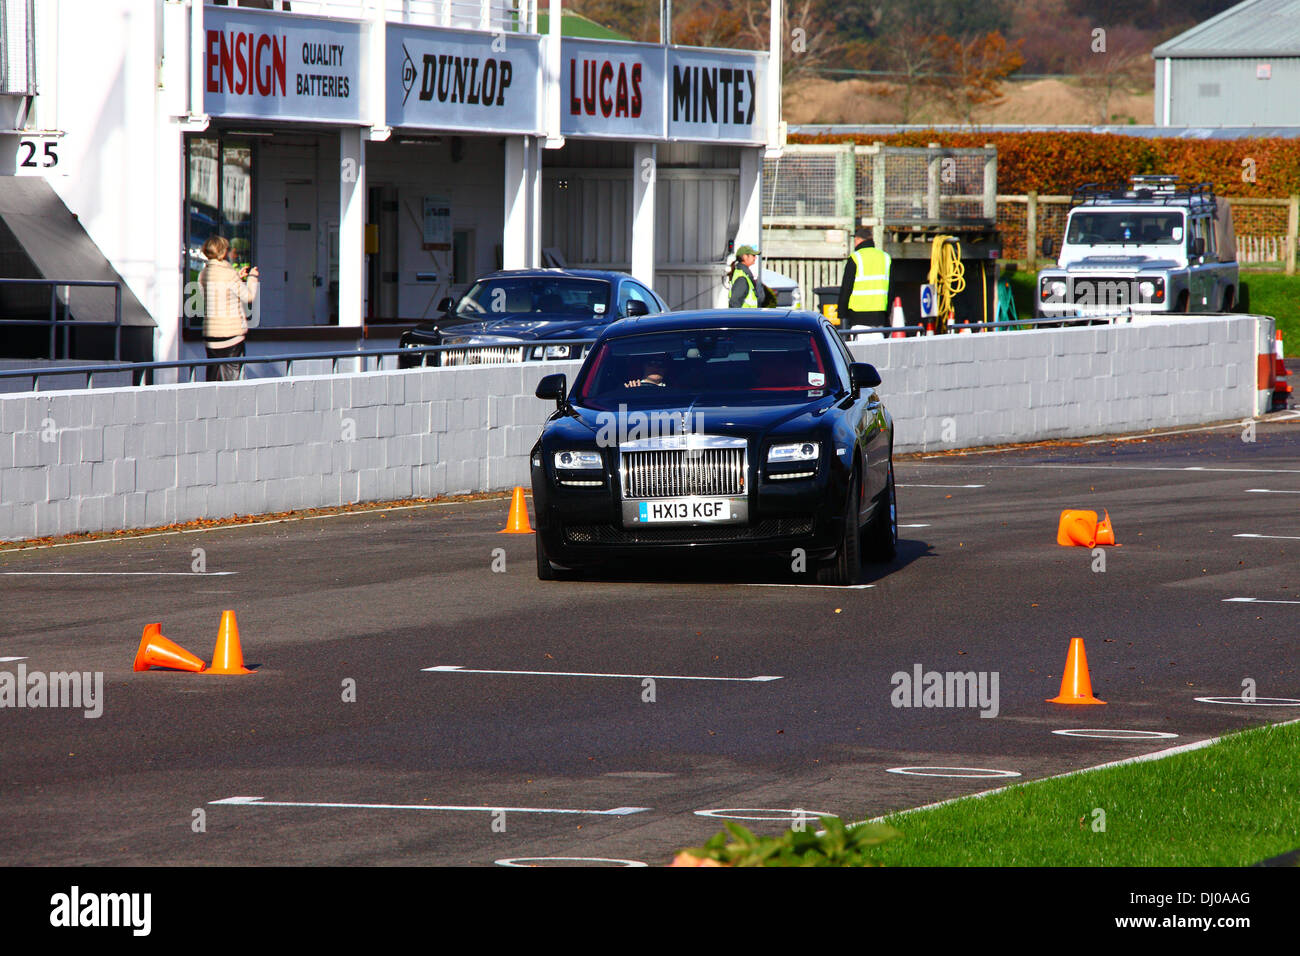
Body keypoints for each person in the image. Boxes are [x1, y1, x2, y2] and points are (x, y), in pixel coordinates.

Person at [199, 235, 258, 382]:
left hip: (211, 336)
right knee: (233, 381)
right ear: (222, 252)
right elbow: (248, 297)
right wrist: (252, 278)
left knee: (213, 378)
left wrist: (237, 277)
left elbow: (215, 294)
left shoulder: (203, 274)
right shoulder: (229, 274)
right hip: (231, 336)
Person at [837, 226, 891, 328]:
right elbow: (891, 289)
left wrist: (842, 313)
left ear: (857, 239)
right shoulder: (885, 257)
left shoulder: (856, 257)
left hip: (858, 316)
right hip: (879, 315)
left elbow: (846, 288)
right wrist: (886, 314)